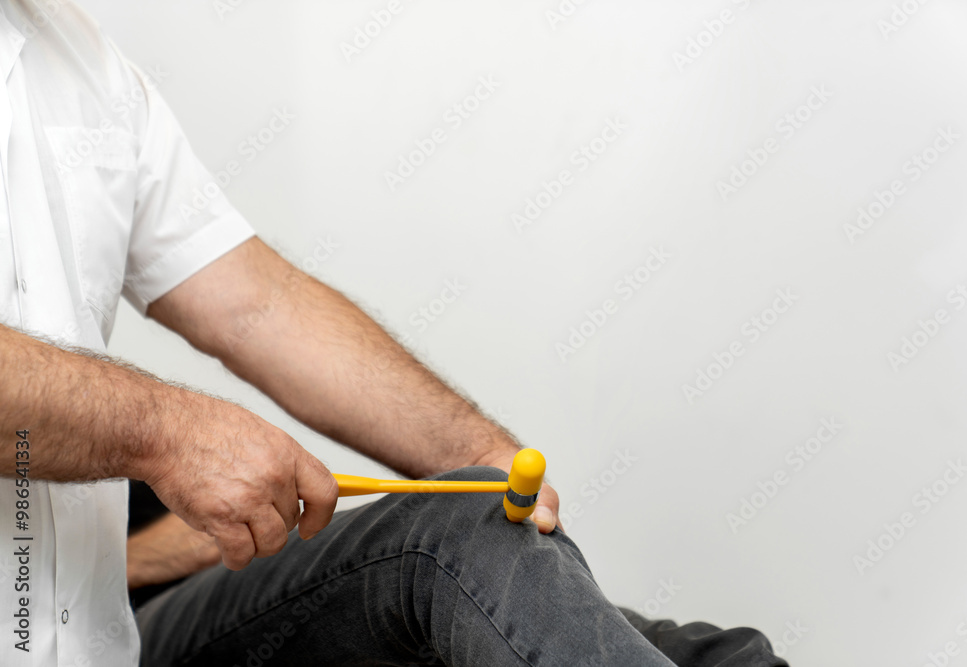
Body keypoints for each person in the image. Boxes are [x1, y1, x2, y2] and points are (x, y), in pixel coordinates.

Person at [0, 1, 786, 664]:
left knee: (717, 656)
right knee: (445, 544)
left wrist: (478, 455)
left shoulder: (83, 67)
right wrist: (170, 432)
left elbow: (258, 304)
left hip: (102, 641)